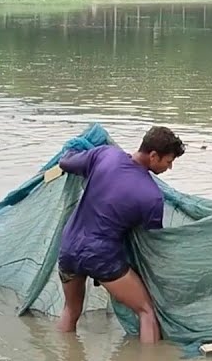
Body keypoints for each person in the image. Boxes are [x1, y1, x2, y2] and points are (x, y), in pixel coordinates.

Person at [55, 125, 185, 344]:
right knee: (145, 311)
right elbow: (151, 244)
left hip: (68, 250)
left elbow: (65, 163)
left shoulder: (104, 154)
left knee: (70, 310)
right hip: (102, 259)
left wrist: (72, 149)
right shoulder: (152, 197)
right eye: (168, 161)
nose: (169, 167)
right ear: (153, 155)